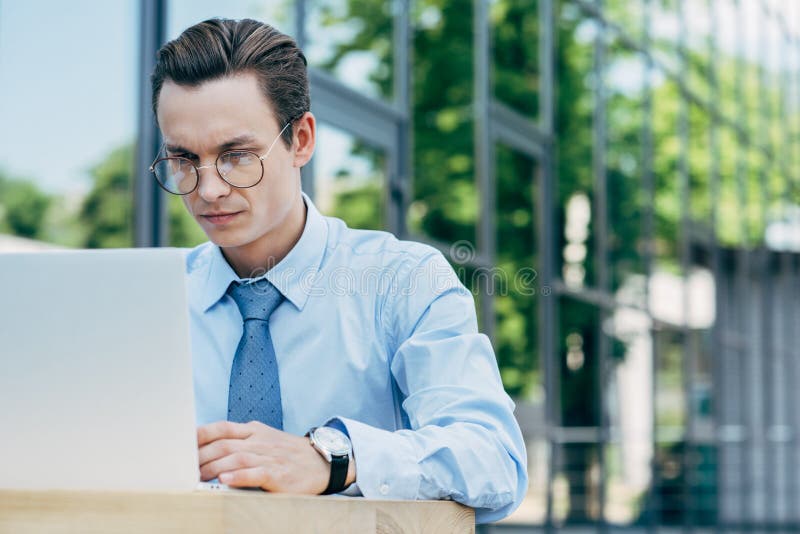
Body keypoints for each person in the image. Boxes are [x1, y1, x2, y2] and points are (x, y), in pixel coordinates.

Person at [149, 17, 527, 523]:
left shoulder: (403, 281)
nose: (208, 188)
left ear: (301, 140)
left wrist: (336, 458)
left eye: (237, 155)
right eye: (184, 158)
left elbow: (494, 459)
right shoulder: (151, 298)